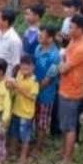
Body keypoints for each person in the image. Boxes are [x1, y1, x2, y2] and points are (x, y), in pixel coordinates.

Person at [57, 14, 83, 163]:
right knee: (65, 124)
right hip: (65, 88)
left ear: (80, 29)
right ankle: (65, 151)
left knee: (70, 127)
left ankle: (67, 158)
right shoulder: (74, 41)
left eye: (71, 27)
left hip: (72, 92)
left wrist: (60, 64)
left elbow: (63, 68)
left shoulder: (82, 48)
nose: (68, 29)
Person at [33, 24, 60, 154]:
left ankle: (38, 149)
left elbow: (48, 79)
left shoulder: (55, 55)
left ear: (50, 39)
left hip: (45, 94)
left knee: (42, 123)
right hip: (34, 91)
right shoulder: (38, 48)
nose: (39, 36)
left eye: (42, 35)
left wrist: (34, 90)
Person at [8, 54, 39, 163]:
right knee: (14, 132)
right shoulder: (19, 74)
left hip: (26, 113)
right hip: (16, 110)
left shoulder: (34, 81)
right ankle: (12, 150)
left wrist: (18, 88)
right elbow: (15, 88)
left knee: (25, 136)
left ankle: (23, 156)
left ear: (33, 67)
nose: (25, 68)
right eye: (23, 65)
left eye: (28, 66)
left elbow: (33, 97)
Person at [0, 8, 22, 79]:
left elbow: (16, 65)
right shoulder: (0, 32)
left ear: (6, 22)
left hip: (6, 78)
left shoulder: (14, 40)